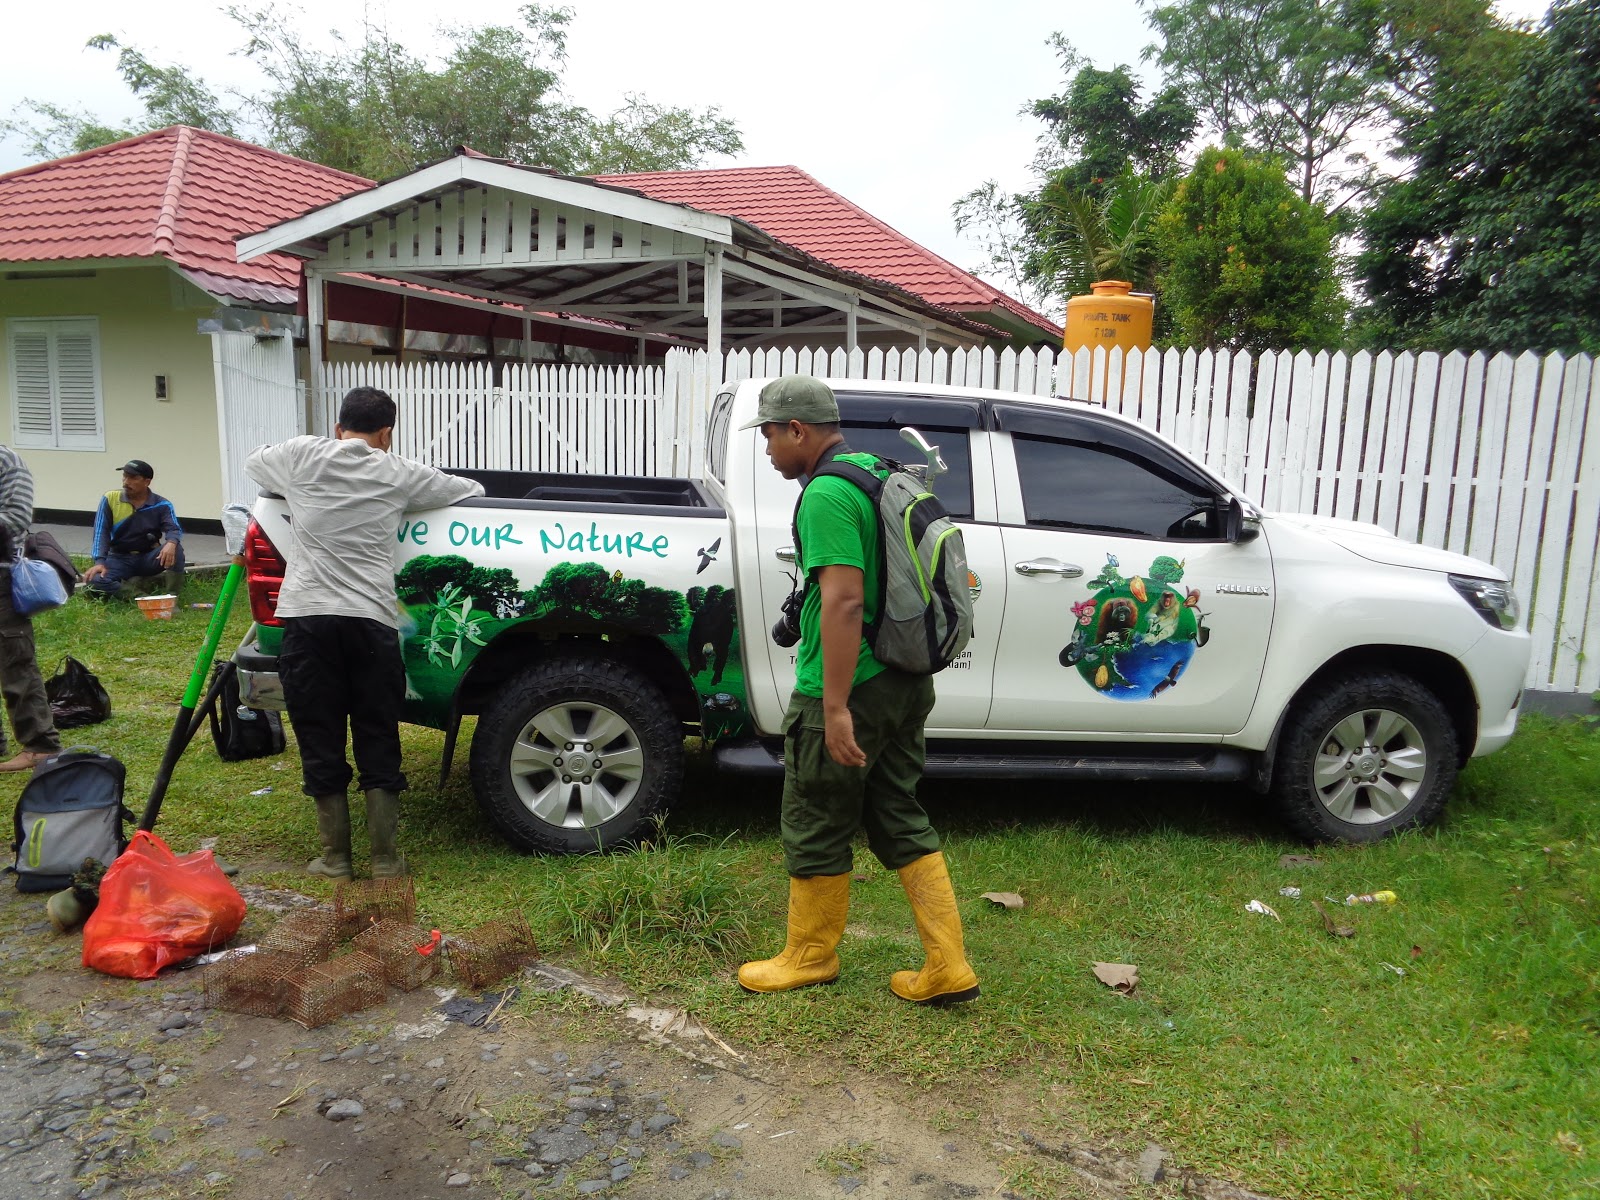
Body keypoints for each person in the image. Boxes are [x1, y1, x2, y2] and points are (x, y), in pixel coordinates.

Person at [737, 376, 979, 1005]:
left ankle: (809, 956)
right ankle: (948, 966)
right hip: (904, 679)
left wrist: (836, 707)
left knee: (816, 815)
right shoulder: (878, 470)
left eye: (768, 434)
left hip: (849, 686)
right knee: (897, 810)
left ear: (798, 431)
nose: (766, 450)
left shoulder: (826, 494)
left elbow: (843, 602)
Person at [245, 388, 484, 880]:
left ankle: (334, 859)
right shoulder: (397, 471)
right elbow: (467, 490)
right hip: (370, 621)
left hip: (308, 622)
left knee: (319, 732)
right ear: (386, 434)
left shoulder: (299, 454)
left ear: (339, 427)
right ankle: (386, 859)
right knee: (377, 730)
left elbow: (255, 464)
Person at [0, 443, 63, 772]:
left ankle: (40, 745)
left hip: (2, 577)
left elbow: (15, 518)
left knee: (15, 662)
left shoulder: (7, 462)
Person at [83, 460, 185, 598]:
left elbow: (174, 528)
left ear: (147, 482)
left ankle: (172, 597)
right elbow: (101, 532)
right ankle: (142, 599)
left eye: (133, 478)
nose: (126, 482)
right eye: (124, 476)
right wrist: (99, 562)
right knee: (94, 580)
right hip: (119, 558)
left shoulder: (162, 504)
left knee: (176, 548)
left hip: (148, 557)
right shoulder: (110, 498)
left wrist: (171, 543)